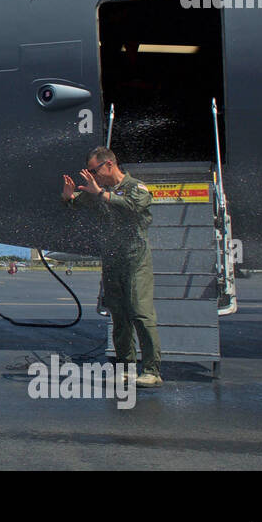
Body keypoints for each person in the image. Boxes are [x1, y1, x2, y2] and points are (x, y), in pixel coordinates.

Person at [60, 147, 163, 387]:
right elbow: (74, 205)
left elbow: (134, 206)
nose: (92, 177)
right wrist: (67, 197)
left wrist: (101, 195)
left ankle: (151, 370)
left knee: (140, 312)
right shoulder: (99, 190)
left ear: (108, 165)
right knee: (119, 315)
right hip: (113, 261)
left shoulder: (135, 187)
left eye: (94, 171)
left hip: (136, 260)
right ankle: (126, 367)